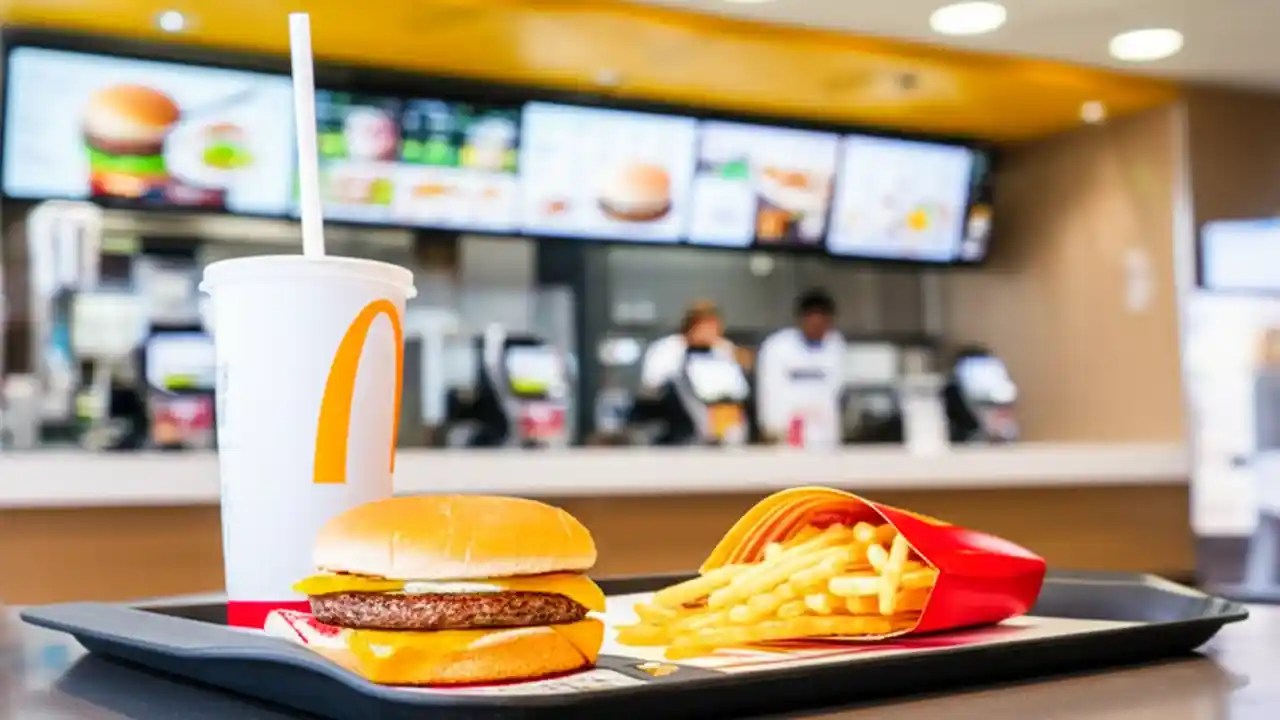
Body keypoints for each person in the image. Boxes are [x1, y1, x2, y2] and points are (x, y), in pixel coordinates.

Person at [756, 289, 847, 447]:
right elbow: (769, 390)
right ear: (801, 319)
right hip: (787, 436)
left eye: (823, 322)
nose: (817, 328)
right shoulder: (778, 347)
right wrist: (771, 428)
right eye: (812, 321)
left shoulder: (836, 346)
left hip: (826, 436)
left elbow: (838, 390)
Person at [639, 300, 737, 394]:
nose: (712, 334)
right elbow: (652, 385)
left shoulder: (724, 347)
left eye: (715, 329)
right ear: (691, 327)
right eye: (707, 328)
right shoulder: (665, 349)